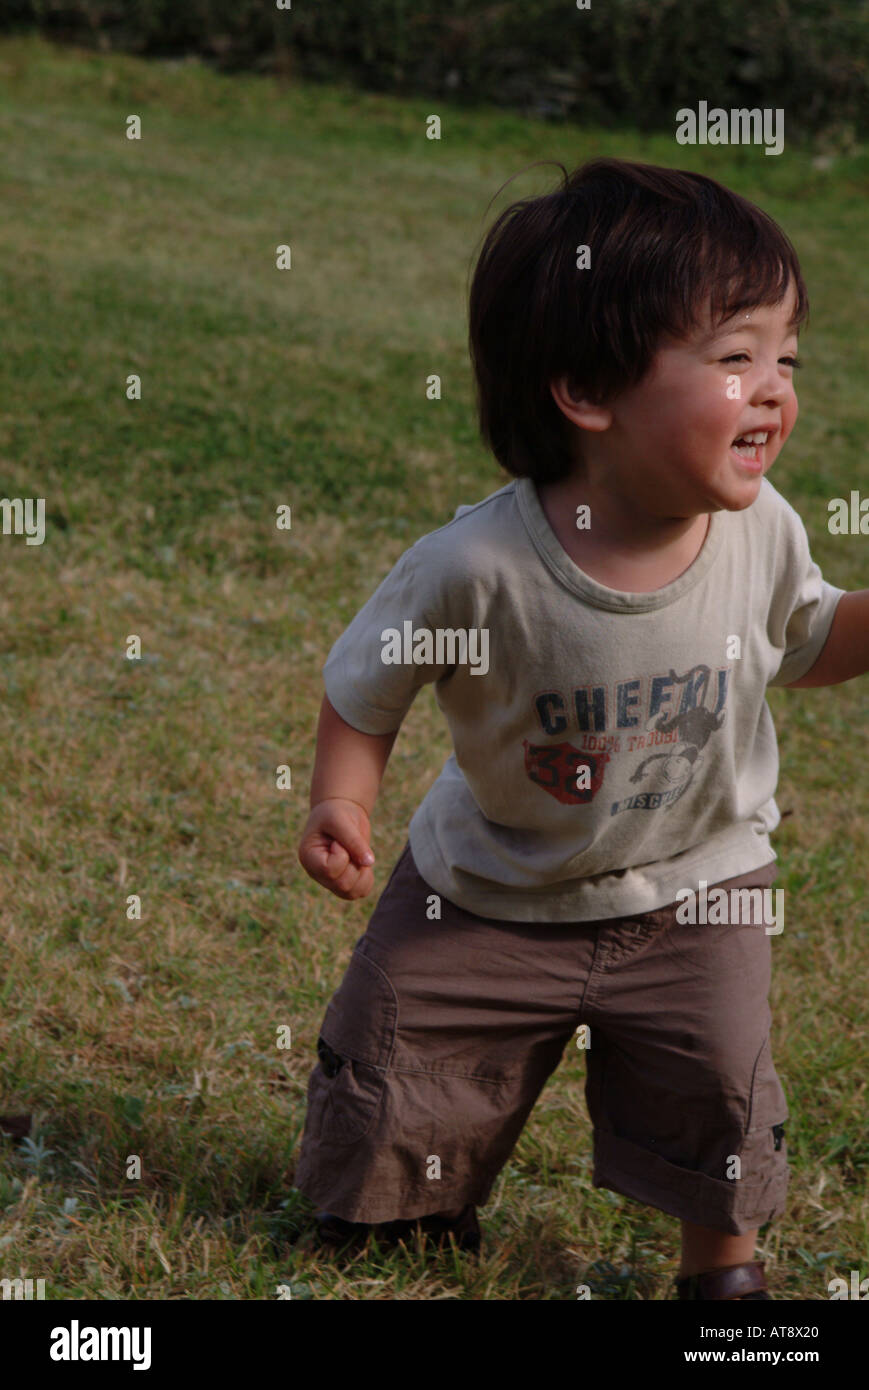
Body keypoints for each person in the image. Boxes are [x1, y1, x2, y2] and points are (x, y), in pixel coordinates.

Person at [294, 158, 867, 1299]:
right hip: (492, 886)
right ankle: (400, 1210)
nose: (772, 389)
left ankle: (721, 1271)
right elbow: (368, 687)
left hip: (699, 884)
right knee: (402, 1048)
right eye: (733, 357)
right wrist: (339, 800)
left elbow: (806, 646)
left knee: (720, 1079)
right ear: (587, 391)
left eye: (783, 357)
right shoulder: (476, 568)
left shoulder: (761, 534)